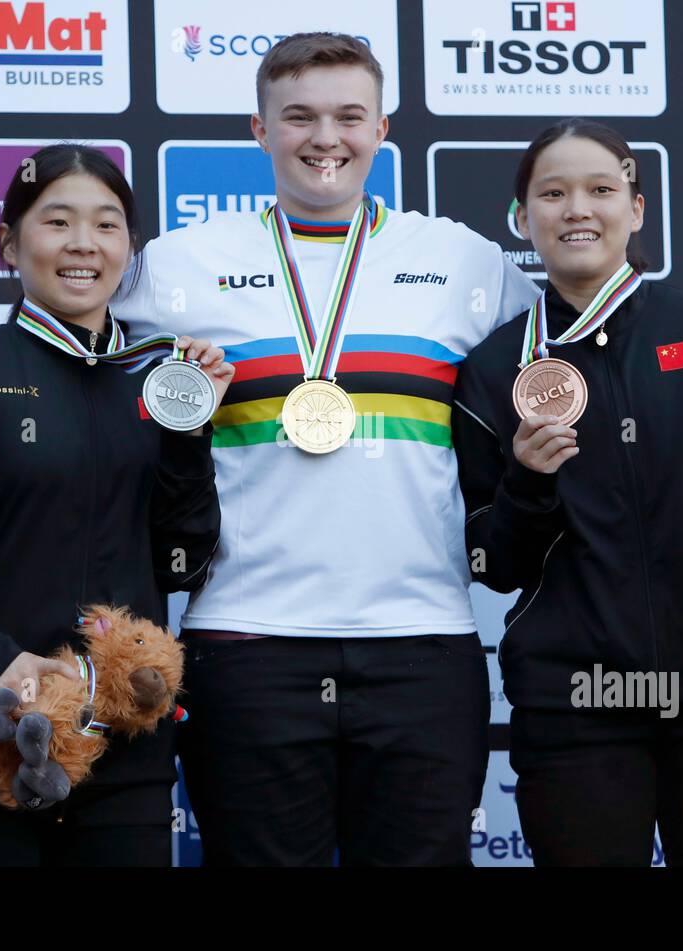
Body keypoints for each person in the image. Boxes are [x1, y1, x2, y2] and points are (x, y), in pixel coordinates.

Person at [110, 33, 539, 865]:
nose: (325, 138)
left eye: (349, 116)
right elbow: (72, 364)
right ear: (258, 131)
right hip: (245, 642)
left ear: (384, 128)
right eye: (298, 116)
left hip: (423, 640)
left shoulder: (462, 262)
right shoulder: (178, 266)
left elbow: (567, 365)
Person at [451, 119, 683, 866]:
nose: (576, 209)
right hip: (579, 704)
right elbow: (494, 563)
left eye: (600, 189)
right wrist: (528, 480)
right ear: (523, 219)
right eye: (552, 193)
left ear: (638, 209)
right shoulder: (495, 368)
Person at [0, 144, 232, 866]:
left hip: (122, 747)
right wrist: (4, 667)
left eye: (106, 225)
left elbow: (180, 562)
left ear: (131, 248)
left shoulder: (157, 378)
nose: (81, 245)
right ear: (9, 241)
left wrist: (188, 437)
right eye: (55, 221)